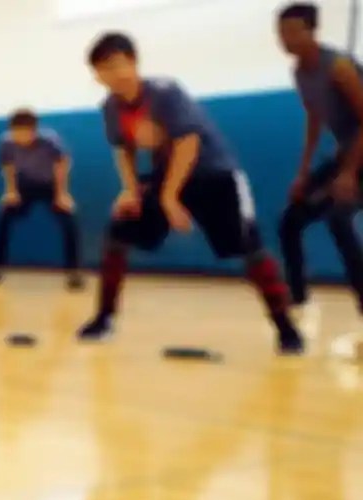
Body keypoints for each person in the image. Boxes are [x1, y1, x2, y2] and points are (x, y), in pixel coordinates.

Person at [78, 32, 304, 355]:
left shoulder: (164, 93)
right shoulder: (110, 108)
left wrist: (170, 198)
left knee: (248, 247)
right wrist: (130, 190)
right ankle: (104, 319)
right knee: (118, 231)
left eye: (116, 65)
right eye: (102, 70)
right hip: (167, 175)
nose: (111, 75)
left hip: (214, 174)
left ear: (133, 62)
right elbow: (122, 148)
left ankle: (286, 329)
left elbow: (188, 143)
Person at [276, 2, 363, 355]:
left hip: (357, 155)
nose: (285, 38)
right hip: (345, 154)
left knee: (339, 220)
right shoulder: (299, 72)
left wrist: (349, 173)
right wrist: (303, 174)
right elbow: (315, 121)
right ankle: (301, 303)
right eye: (281, 32)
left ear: (312, 31)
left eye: (293, 30)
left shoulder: (338, 67)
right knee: (290, 221)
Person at [0, 109, 83, 290]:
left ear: (34, 130)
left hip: (50, 185)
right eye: (17, 133)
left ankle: (74, 273)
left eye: (25, 133)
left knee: (69, 221)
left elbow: (62, 163)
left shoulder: (49, 140)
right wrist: (11, 191)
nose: (20, 138)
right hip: (25, 185)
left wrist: (61, 194)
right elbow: (8, 165)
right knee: (3, 219)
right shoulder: (6, 141)